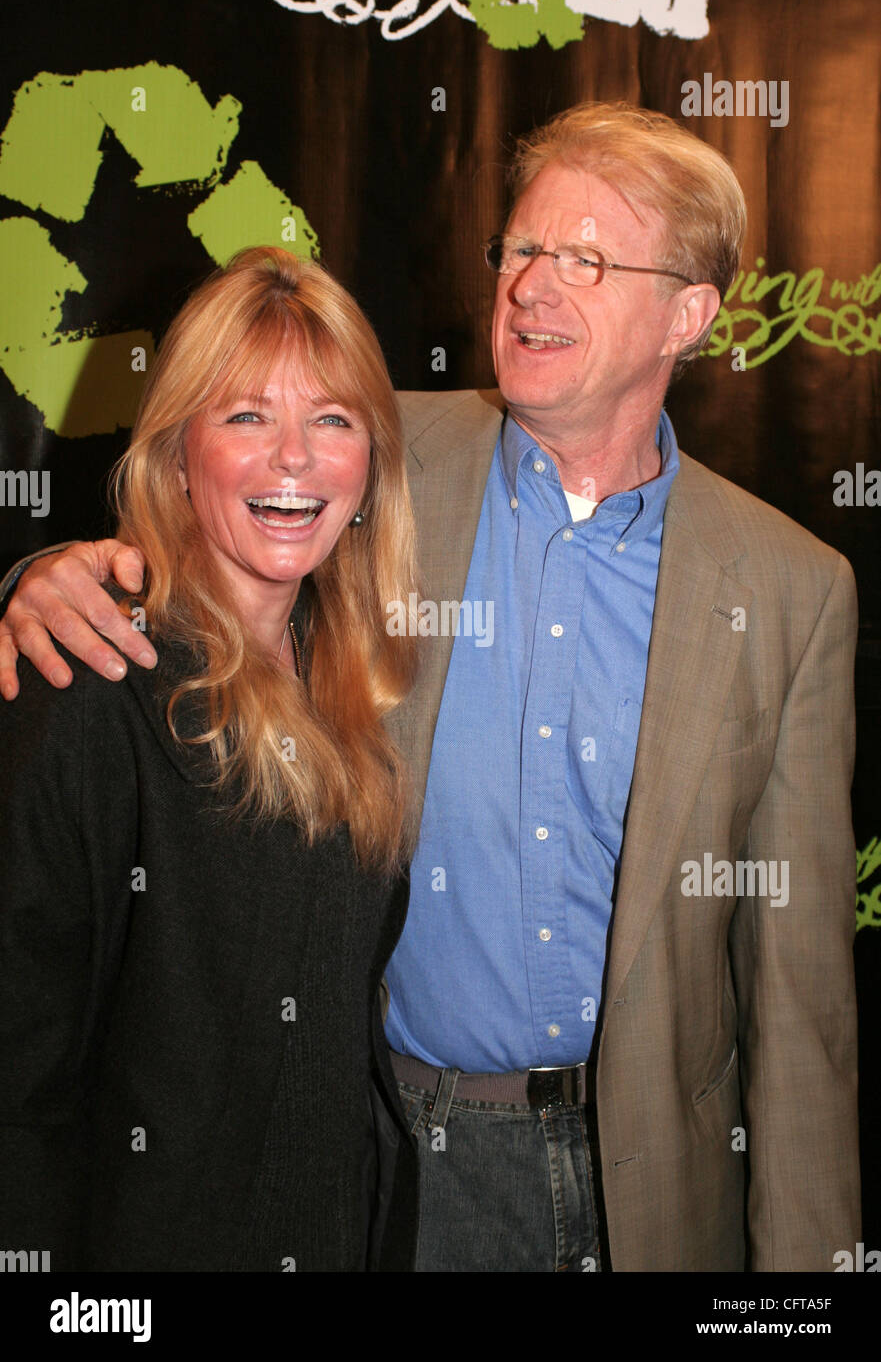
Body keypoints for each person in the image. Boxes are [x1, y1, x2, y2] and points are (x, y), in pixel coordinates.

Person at [0, 104, 860, 1273]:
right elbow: (207, 514)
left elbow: (798, 1000)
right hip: (401, 1169)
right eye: (518, 249)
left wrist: (801, 1288)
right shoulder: (373, 457)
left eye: (586, 258)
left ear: (688, 313)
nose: (528, 286)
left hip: (660, 1188)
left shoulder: (790, 586)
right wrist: (45, 574)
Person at [0, 246, 421, 1271]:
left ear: (369, 466)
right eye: (245, 416)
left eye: (331, 418)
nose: (293, 459)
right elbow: (19, 1083)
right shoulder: (96, 678)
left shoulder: (351, 679)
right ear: (178, 453)